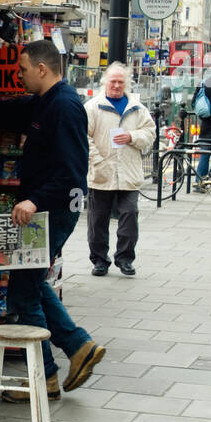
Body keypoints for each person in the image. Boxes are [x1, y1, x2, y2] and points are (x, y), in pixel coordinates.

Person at [0, 38, 105, 400]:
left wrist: (34, 202)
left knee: (24, 290)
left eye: (22, 69)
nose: (18, 75)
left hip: (52, 212)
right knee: (31, 284)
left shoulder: (65, 107)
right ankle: (78, 347)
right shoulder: (43, 102)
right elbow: (12, 110)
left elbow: (72, 172)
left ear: (42, 68)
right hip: (43, 211)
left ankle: (45, 378)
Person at [85, 62, 156, 275]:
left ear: (126, 84)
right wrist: (97, 161)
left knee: (130, 215)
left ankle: (124, 259)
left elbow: (150, 133)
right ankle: (99, 260)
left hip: (129, 172)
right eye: (113, 81)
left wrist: (132, 136)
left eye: (120, 82)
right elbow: (83, 137)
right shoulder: (92, 107)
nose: (116, 85)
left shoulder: (137, 108)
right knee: (97, 220)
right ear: (105, 82)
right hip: (101, 172)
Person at [191, 63, 211, 189]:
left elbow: (194, 103)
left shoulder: (204, 83)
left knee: (205, 153)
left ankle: (199, 182)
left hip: (207, 123)